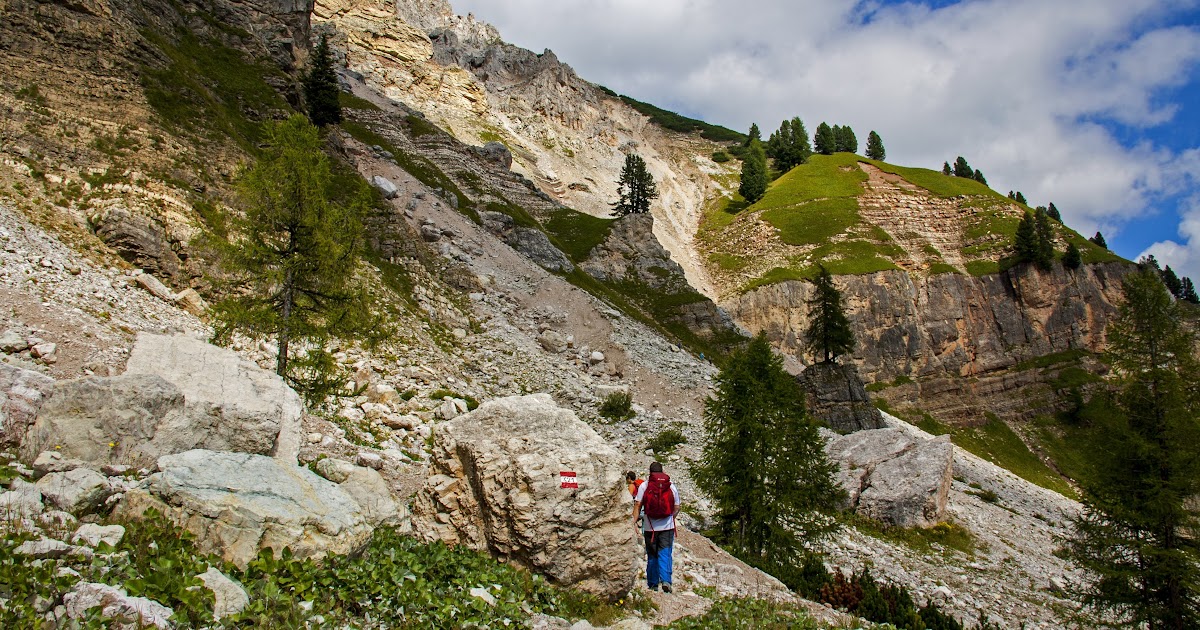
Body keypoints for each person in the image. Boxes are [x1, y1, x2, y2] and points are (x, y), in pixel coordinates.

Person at [632, 461, 680, 593]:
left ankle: (653, 584)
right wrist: (671, 518)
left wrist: (634, 522)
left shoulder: (644, 486)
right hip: (667, 526)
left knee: (652, 555)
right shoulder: (671, 486)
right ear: (662, 471)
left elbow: (637, 505)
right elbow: (677, 507)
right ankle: (666, 581)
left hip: (650, 527)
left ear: (650, 472)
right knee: (665, 553)